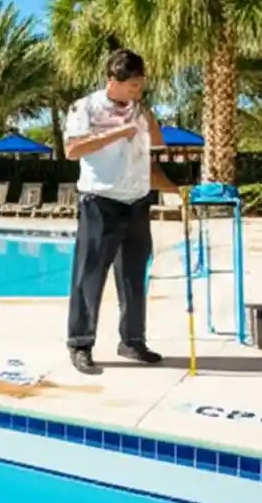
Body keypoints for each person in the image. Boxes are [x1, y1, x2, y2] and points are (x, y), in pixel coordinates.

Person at [63, 48, 177, 375]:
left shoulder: (141, 111)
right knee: (89, 276)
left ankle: (132, 341)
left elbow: (155, 150)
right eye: (133, 85)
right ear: (113, 81)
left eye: (141, 85)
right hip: (100, 202)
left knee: (133, 276)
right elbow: (72, 149)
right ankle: (80, 343)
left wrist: (149, 124)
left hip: (137, 202)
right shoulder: (84, 107)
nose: (138, 91)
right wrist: (117, 131)